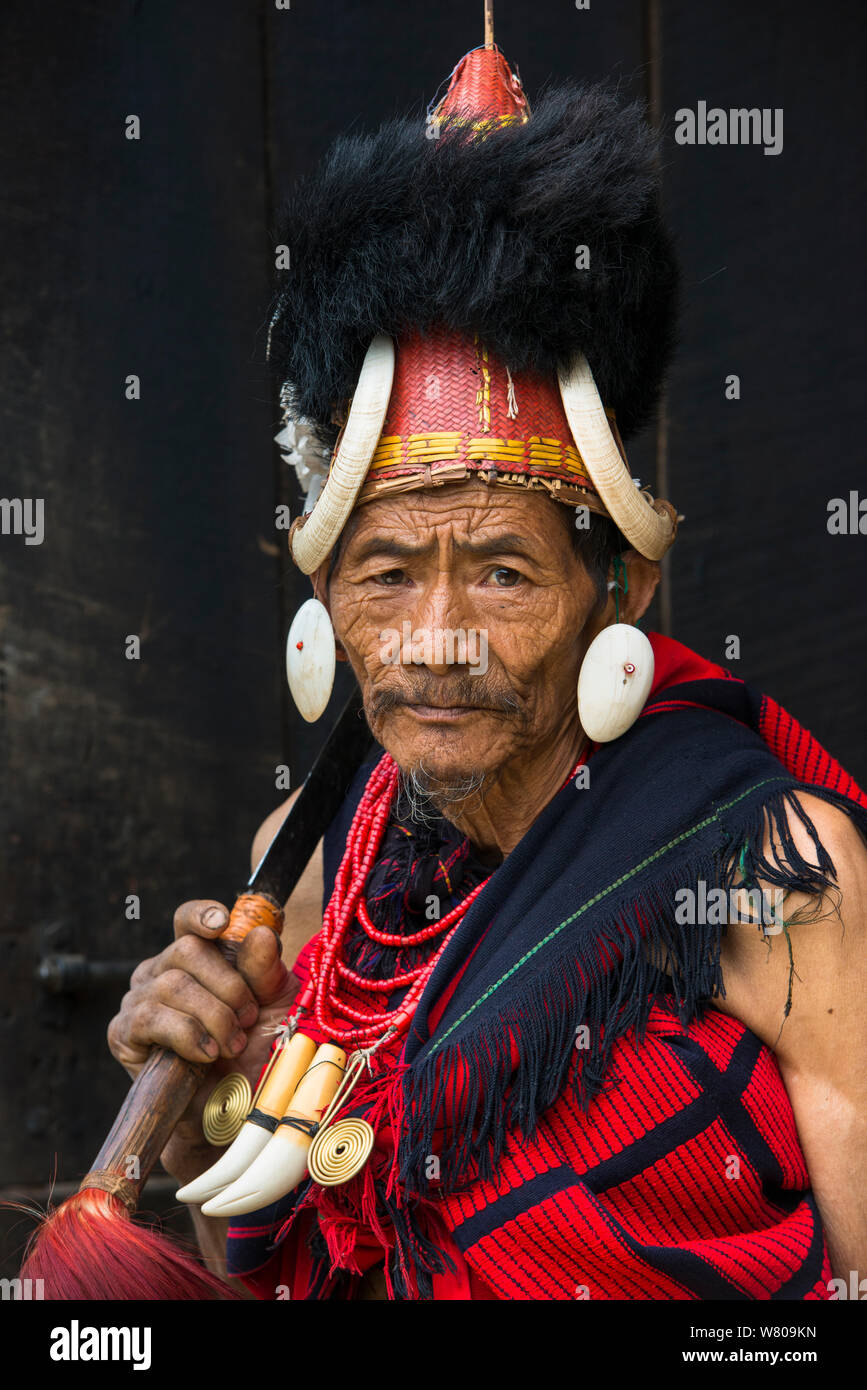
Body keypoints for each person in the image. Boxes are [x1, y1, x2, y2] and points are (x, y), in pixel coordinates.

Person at [108, 44, 867, 1300]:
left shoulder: (773, 873)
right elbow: (266, 1287)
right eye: (387, 573)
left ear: (619, 588)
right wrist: (194, 1120)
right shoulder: (301, 873)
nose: (438, 637)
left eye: (505, 573)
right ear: (323, 599)